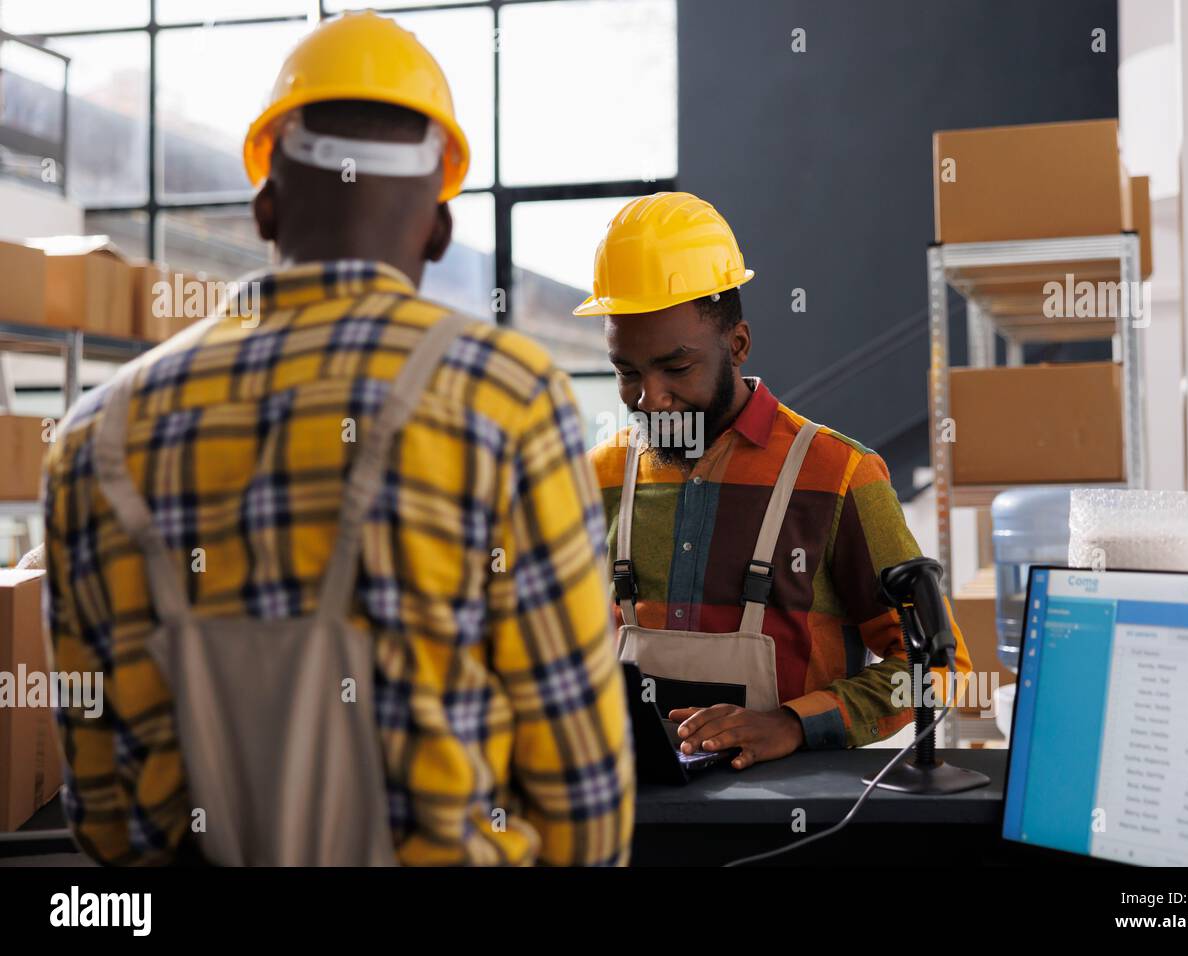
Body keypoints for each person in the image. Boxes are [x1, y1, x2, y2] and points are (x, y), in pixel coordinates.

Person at [43, 11, 632, 866]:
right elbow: (583, 805)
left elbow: (100, 814)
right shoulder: (505, 398)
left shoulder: (96, 438)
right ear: (436, 229)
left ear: (266, 205)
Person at [577, 191, 973, 769]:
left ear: (737, 345)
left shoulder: (839, 476)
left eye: (676, 367)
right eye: (627, 372)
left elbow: (940, 671)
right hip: (636, 817)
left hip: (793, 822)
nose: (650, 398)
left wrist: (794, 723)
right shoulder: (598, 477)